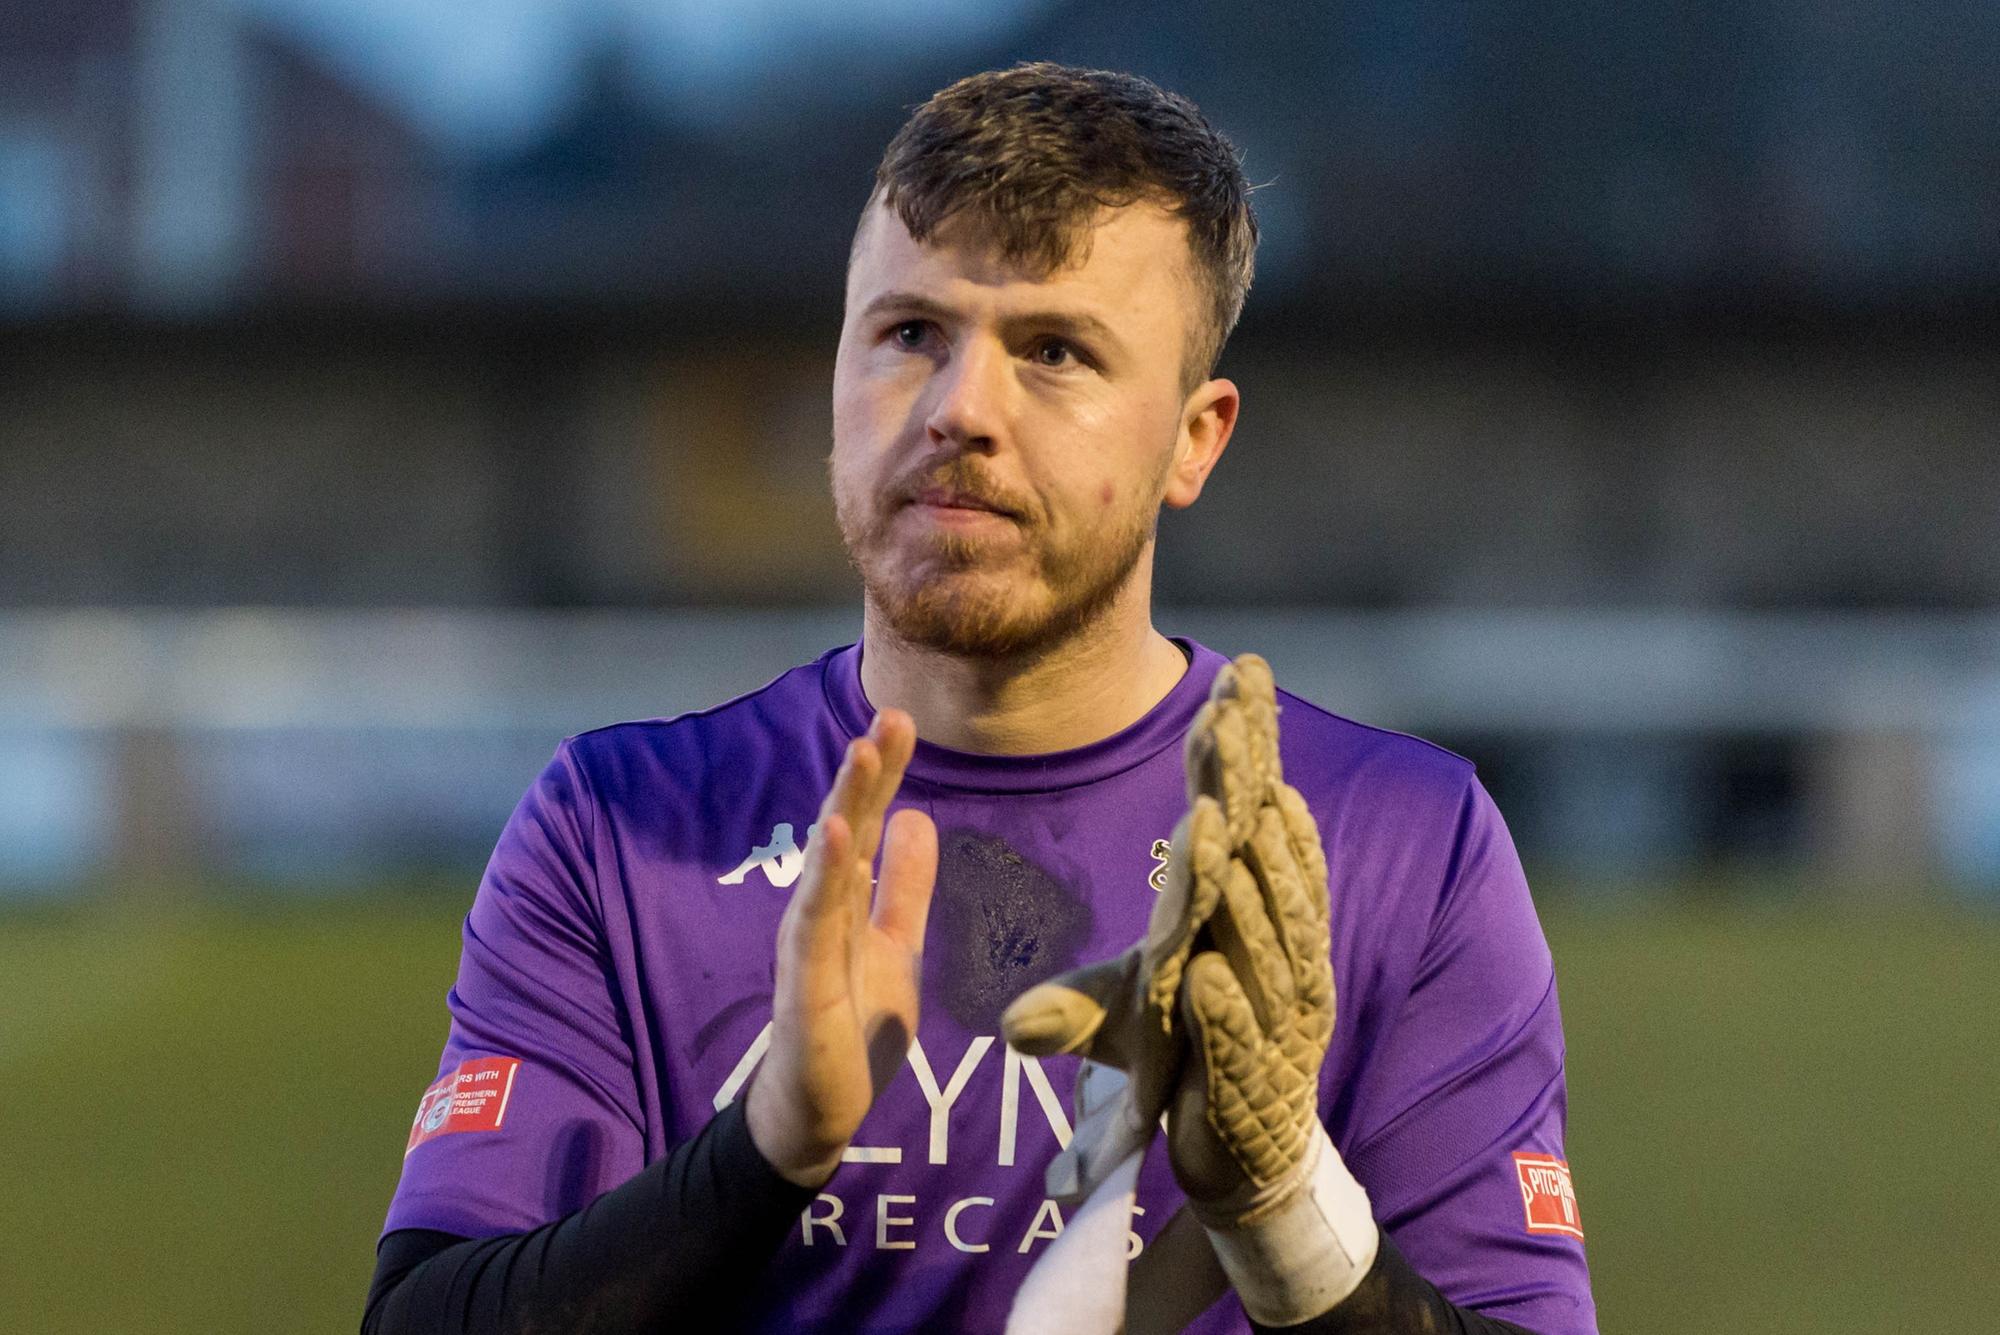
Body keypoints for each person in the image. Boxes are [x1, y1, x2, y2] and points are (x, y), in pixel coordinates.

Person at [362, 62, 1597, 1335]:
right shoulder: (619, 829)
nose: (961, 410)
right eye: (910, 335)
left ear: (1192, 439)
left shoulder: (1399, 842)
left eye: (1054, 352)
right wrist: (767, 1145)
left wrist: (1287, 1215)